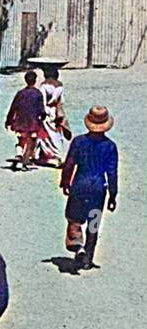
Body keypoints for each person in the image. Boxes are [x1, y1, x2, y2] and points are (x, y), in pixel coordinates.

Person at [61, 105, 118, 269]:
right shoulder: (110, 146)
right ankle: (88, 258)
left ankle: (77, 246)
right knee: (94, 223)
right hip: (98, 188)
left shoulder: (79, 142)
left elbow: (69, 164)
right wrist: (113, 195)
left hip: (80, 184)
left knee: (74, 218)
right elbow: (112, 172)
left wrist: (65, 182)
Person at [4, 69, 46, 169]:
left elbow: (13, 108)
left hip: (20, 122)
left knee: (21, 140)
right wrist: (43, 118)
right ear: (35, 80)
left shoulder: (20, 93)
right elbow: (41, 109)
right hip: (33, 122)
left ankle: (19, 153)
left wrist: (8, 121)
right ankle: (25, 161)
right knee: (31, 142)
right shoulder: (38, 94)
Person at [35, 65, 70, 165]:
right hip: (56, 111)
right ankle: (58, 154)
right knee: (57, 133)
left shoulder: (44, 86)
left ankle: (53, 155)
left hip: (47, 111)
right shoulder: (59, 85)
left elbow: (43, 101)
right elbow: (61, 100)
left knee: (46, 134)